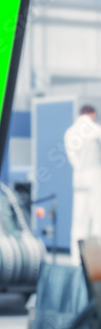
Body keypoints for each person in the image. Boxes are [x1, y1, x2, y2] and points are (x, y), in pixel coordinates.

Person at [64, 105, 101, 264]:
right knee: (97, 221)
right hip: (94, 179)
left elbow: (73, 159)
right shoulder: (95, 130)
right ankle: (95, 261)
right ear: (92, 114)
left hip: (78, 181)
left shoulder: (69, 133)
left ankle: (76, 260)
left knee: (78, 222)